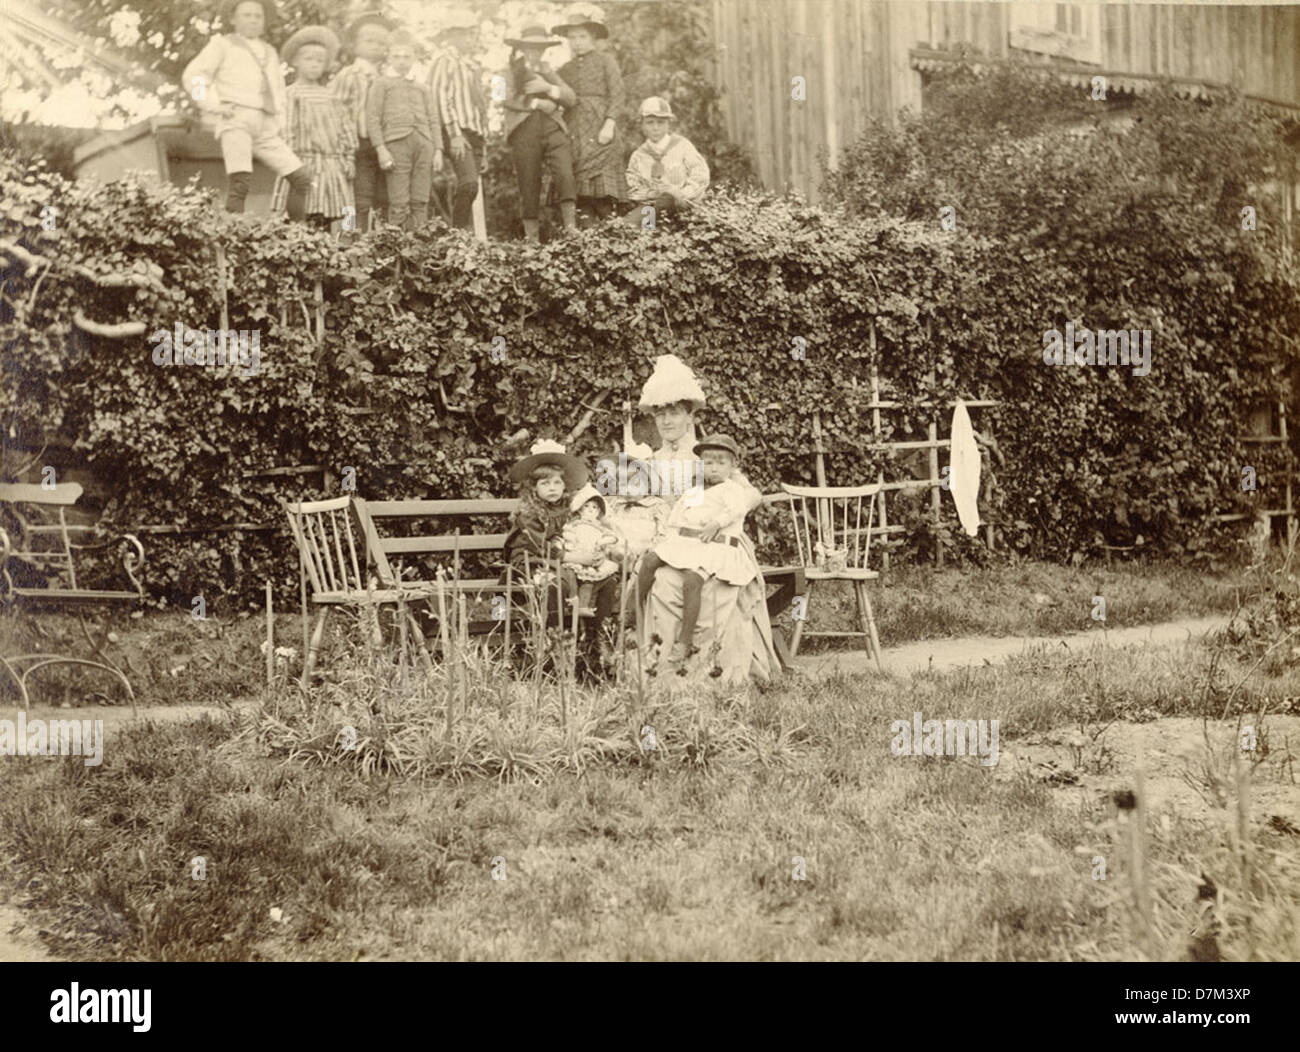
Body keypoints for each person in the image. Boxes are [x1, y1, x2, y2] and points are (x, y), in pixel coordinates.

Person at [632, 357, 780, 685]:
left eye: (675, 413)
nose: (667, 421)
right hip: (673, 539)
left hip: (714, 541)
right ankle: (658, 670)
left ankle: (707, 672)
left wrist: (722, 516)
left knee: (694, 586)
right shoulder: (651, 461)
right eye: (661, 414)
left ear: (690, 416)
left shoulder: (704, 458)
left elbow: (749, 494)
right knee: (657, 578)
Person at [637, 436, 757, 673]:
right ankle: (634, 609)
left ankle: (685, 640)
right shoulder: (696, 490)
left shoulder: (732, 489)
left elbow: (737, 509)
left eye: (720, 463)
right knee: (650, 560)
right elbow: (677, 516)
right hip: (686, 542)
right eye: (708, 462)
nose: (713, 468)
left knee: (693, 580)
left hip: (716, 546)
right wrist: (668, 538)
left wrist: (717, 522)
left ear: (733, 466)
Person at [182, 0, 312, 218]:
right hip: (236, 118)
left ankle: (297, 235)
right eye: (246, 15)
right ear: (233, 19)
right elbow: (194, 75)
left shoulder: (270, 52)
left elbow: (279, 92)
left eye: (257, 16)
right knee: (240, 182)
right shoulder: (222, 44)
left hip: (265, 124)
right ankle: (233, 235)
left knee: (301, 177)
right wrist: (211, 105)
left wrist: (281, 122)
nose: (253, 20)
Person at [503, 440, 613, 681]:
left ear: (565, 485)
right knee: (557, 584)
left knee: (606, 579)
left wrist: (592, 551)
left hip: (566, 562)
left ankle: (593, 646)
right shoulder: (528, 513)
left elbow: (580, 533)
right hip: (532, 562)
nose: (552, 488)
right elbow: (540, 547)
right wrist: (577, 556)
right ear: (533, 488)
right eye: (545, 483)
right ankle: (556, 650)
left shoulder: (569, 510)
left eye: (557, 482)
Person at [270, 26, 356, 229]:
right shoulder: (291, 94)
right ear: (296, 62)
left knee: (326, 211)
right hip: (302, 162)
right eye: (308, 59)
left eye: (320, 61)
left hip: (330, 165)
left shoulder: (331, 97)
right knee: (301, 213)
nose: (314, 65)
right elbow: (287, 129)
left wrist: (348, 157)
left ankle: (324, 251)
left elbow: (345, 128)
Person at [501, 24, 577, 241]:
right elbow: (500, 97)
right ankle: (531, 238)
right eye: (531, 48)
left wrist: (548, 88)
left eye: (540, 48)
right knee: (528, 183)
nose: (536, 52)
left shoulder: (548, 71)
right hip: (524, 131)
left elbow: (571, 98)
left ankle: (571, 229)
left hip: (553, 128)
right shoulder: (504, 71)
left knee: (565, 174)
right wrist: (536, 103)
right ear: (522, 48)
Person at [554, 4, 626, 223]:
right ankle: (587, 240)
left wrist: (609, 123)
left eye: (582, 36)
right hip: (575, 129)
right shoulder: (564, 69)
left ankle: (613, 237)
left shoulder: (606, 61)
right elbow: (560, 99)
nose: (577, 42)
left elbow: (618, 93)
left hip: (600, 126)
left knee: (604, 194)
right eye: (573, 37)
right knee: (582, 194)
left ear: (593, 37)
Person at [367, 30, 444, 230]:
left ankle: (419, 249)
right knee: (399, 201)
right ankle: (397, 252)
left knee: (421, 200)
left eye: (407, 56)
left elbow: (434, 119)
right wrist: (381, 149)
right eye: (396, 56)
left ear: (415, 57)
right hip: (396, 144)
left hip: (424, 144)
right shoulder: (381, 84)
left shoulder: (422, 87)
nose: (401, 61)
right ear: (389, 57)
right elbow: (373, 118)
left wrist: (438, 150)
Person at [331, 11, 394, 231]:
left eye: (381, 42)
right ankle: (348, 239)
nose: (376, 46)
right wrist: (342, 147)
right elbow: (335, 111)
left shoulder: (386, 79)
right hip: (354, 145)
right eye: (369, 41)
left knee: (383, 197)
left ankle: (377, 244)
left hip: (380, 146)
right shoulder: (348, 75)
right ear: (355, 45)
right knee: (355, 198)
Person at [427, 9, 488, 232]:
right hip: (457, 131)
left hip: (475, 133)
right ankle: (457, 234)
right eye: (464, 34)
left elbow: (480, 107)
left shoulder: (471, 65)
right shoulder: (445, 61)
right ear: (451, 35)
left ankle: (469, 237)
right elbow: (439, 96)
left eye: (472, 34)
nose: (469, 39)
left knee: (472, 188)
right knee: (469, 185)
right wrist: (454, 134)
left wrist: (485, 146)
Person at [622, 96, 709, 227]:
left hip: (682, 206)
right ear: (642, 125)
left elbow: (700, 175)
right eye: (650, 122)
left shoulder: (682, 146)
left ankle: (650, 228)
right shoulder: (639, 156)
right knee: (629, 225)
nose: (655, 128)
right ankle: (645, 234)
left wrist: (681, 193)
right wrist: (651, 193)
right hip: (651, 208)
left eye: (661, 123)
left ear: (669, 124)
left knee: (666, 201)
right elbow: (631, 187)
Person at [563, 484, 621, 617]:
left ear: (599, 512)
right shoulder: (575, 524)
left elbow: (613, 537)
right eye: (586, 507)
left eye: (594, 508)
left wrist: (602, 542)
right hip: (577, 555)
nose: (590, 510)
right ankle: (572, 600)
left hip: (593, 558)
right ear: (579, 510)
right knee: (570, 573)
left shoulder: (600, 527)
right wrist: (570, 542)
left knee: (588, 581)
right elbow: (567, 533)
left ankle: (583, 606)